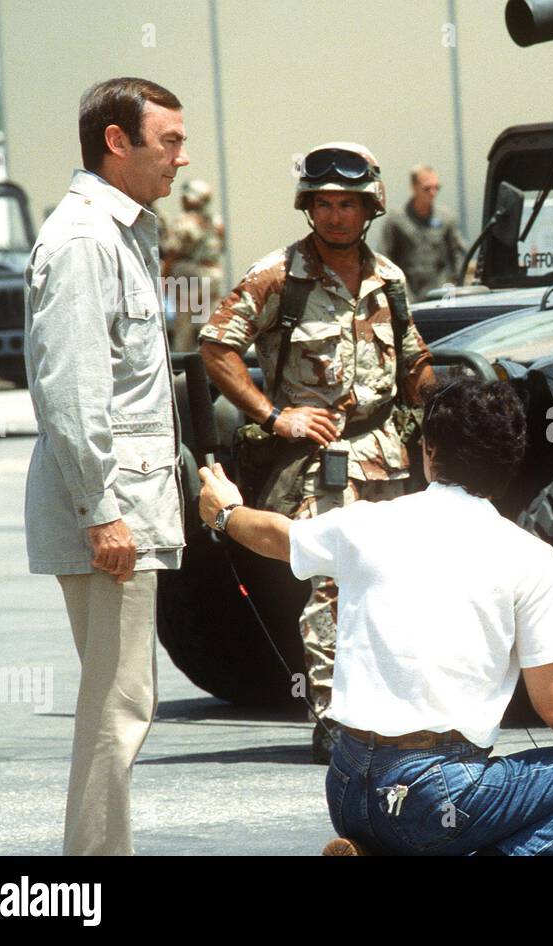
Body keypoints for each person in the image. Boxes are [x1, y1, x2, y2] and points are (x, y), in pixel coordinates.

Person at [197, 377, 553, 855]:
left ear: (429, 449)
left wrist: (225, 512)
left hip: (348, 790)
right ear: (512, 458)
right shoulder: (531, 557)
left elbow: (276, 535)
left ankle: (380, 847)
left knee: (446, 812)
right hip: (435, 797)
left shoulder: (366, 522)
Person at [199, 142, 435, 763]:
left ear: (370, 208)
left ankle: (388, 710)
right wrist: (275, 415)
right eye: (324, 204)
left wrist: (447, 413)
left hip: (386, 458)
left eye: (347, 204)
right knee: (333, 582)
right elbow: (216, 347)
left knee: (392, 582)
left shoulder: (390, 280)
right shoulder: (279, 275)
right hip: (320, 463)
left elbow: (415, 363)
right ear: (308, 206)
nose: (335, 216)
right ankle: (332, 717)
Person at [23, 76, 189, 855]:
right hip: (111, 515)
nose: (180, 158)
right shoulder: (88, 240)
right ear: (117, 142)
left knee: (115, 708)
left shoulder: (117, 233)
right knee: (116, 713)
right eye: (169, 141)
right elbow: (73, 390)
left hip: (121, 505)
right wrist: (102, 511)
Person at [378, 163, 467, 300]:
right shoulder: (396, 220)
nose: (433, 193)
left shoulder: (446, 218)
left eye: (436, 188)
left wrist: (455, 284)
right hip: (409, 296)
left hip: (441, 294)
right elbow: (384, 258)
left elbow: (458, 254)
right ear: (413, 187)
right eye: (427, 188)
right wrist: (396, 292)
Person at [162, 178, 225, 351]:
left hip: (189, 277)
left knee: (184, 326)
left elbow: (172, 253)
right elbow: (221, 248)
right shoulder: (216, 222)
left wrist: (163, 279)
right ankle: (209, 358)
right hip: (212, 276)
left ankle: (181, 363)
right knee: (207, 323)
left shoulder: (184, 222)